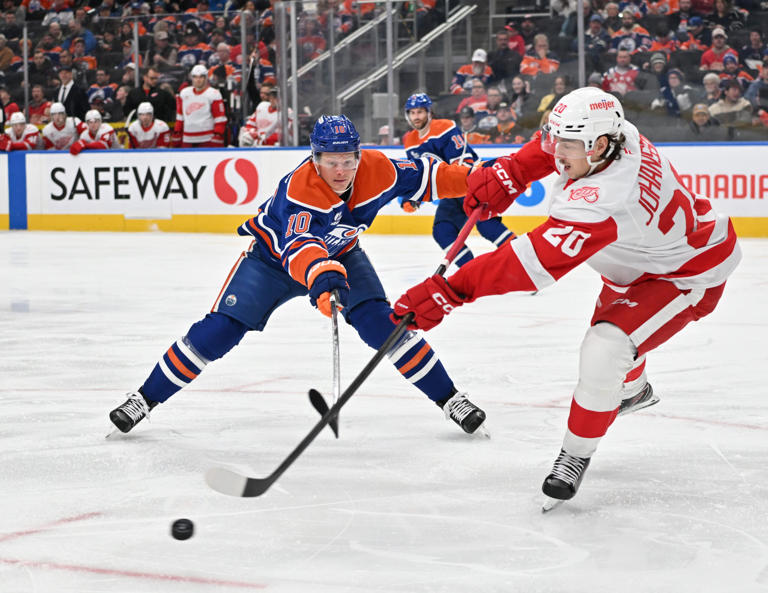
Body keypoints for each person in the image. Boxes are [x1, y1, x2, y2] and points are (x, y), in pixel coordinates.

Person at [393, 87, 740, 505]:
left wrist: (449, 290)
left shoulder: (603, 199)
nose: (559, 154)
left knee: (604, 349)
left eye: (569, 146)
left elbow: (527, 264)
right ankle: (632, 391)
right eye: (560, 141)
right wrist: (512, 172)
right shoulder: (616, 133)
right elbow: (548, 146)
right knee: (620, 345)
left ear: (599, 145)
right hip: (639, 261)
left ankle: (575, 454)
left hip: (685, 274)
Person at [108, 115, 488, 437]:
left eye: (347, 160)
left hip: (341, 255)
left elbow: (429, 176)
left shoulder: (378, 169)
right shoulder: (301, 190)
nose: (340, 171)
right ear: (314, 158)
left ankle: (450, 398)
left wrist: (480, 181)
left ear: (358, 155)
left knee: (383, 326)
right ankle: (144, 398)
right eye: (330, 161)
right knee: (219, 331)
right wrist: (322, 277)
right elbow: (300, 246)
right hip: (273, 263)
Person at [401, 93, 516, 268]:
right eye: (413, 112)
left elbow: (463, 163)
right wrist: (412, 196)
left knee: (486, 226)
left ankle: (527, 263)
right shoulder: (409, 140)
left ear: (429, 112)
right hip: (450, 193)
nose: (416, 117)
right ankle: (473, 274)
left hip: (471, 184)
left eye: (420, 112)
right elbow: (420, 173)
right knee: (442, 231)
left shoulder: (445, 128)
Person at [173, 63, 227, 147]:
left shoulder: (214, 94)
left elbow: (220, 118)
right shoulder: (184, 93)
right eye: (195, 77)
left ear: (206, 77)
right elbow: (180, 116)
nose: (198, 80)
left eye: (201, 77)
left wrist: (218, 134)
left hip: (207, 138)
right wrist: (177, 132)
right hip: (188, 137)